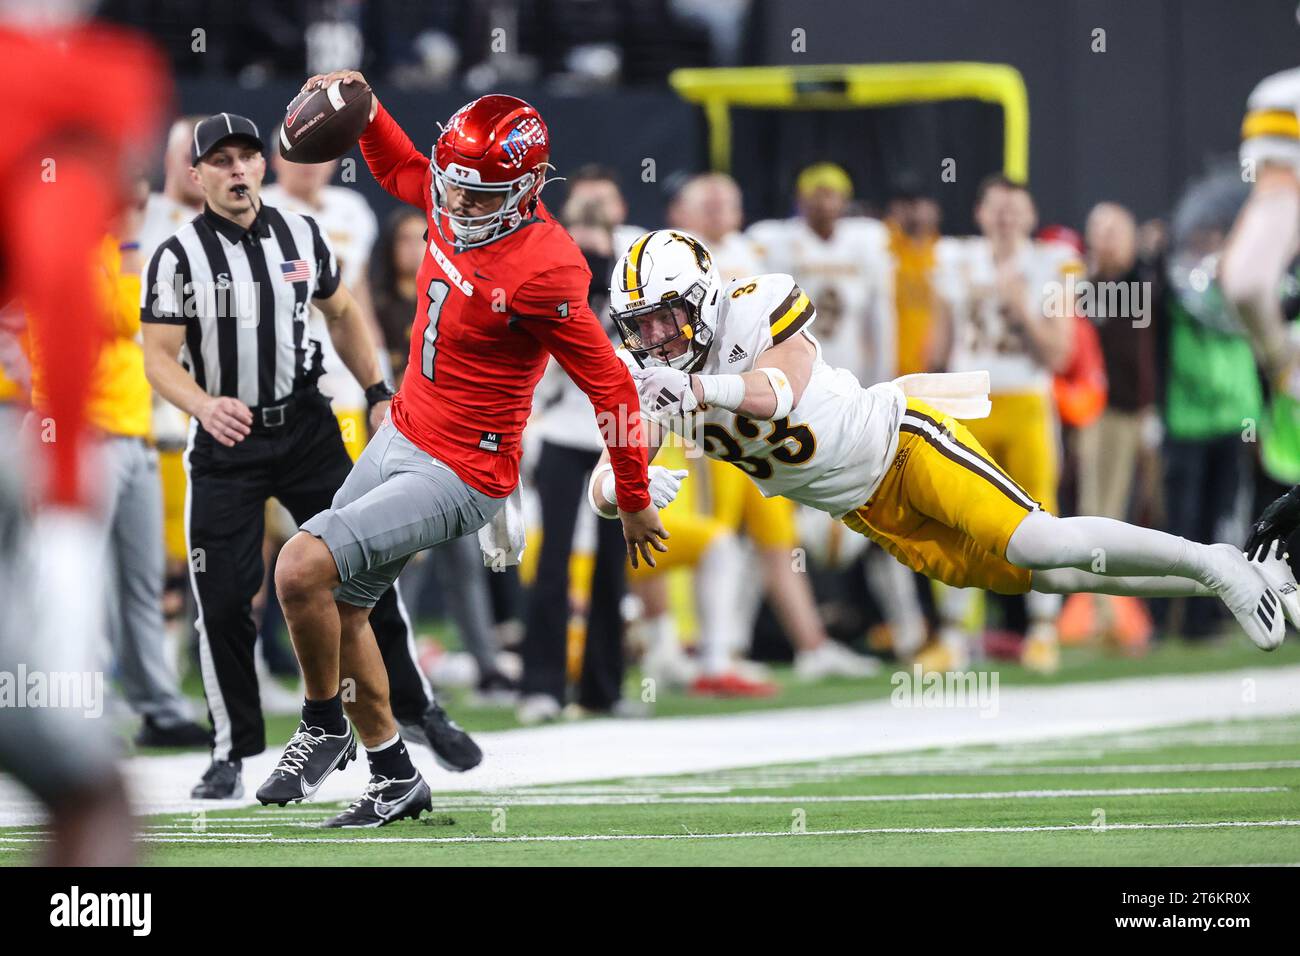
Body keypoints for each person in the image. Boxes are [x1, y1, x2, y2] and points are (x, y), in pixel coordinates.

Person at [590, 231, 1297, 681]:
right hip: (869, 512)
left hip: (903, 444)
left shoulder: (755, 305)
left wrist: (692, 388)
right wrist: (628, 493)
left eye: (664, 317)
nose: (652, 338)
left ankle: (1211, 560)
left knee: (1041, 536)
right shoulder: (656, 379)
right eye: (639, 325)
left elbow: (779, 389)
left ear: (705, 302)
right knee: (1049, 577)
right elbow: (608, 470)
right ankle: (1230, 576)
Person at [259, 73, 659, 827]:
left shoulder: (548, 267)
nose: (460, 207)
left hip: (462, 470)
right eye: (455, 190)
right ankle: (392, 775)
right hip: (403, 430)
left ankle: (320, 723)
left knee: (300, 567)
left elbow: (614, 389)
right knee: (342, 605)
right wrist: (370, 111)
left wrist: (632, 498)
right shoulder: (452, 200)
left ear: (531, 184)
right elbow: (400, 167)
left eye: (481, 197)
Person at [141, 113, 481, 802]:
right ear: (196, 173)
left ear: (264, 167)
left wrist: (380, 390)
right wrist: (203, 404)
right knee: (226, 597)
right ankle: (232, 749)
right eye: (222, 160)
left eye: (248, 158)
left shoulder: (300, 233)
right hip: (227, 439)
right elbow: (155, 355)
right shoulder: (177, 254)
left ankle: (415, 709)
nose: (237, 171)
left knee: (362, 577)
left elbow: (345, 311)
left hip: (305, 425)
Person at [929, 175, 1078, 673]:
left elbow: (1060, 353)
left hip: (1026, 402)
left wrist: (1019, 305)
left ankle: (1041, 629)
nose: (1006, 217)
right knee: (952, 513)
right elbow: (937, 345)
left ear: (1031, 216)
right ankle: (954, 635)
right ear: (980, 213)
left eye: (1015, 208)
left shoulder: (1052, 264)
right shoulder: (955, 258)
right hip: (966, 399)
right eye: (997, 208)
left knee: (1038, 513)